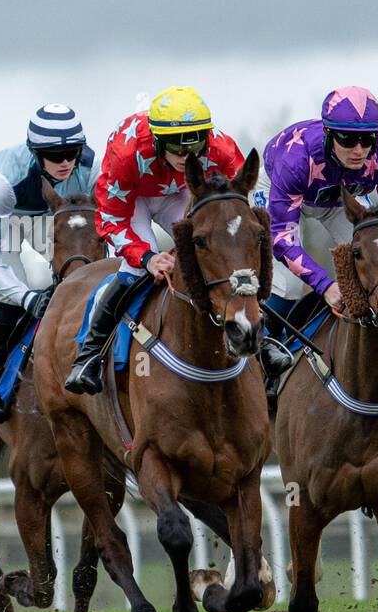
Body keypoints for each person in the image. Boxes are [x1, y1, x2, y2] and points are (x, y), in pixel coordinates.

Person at [63, 86, 246, 395]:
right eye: (176, 148)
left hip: (182, 193)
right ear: (158, 141)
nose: (187, 155)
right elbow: (110, 219)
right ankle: (89, 356)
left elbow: (247, 194)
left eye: (196, 146)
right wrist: (147, 258)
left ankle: (261, 339)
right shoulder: (126, 153)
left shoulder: (221, 148)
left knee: (221, 255)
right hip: (133, 201)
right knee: (136, 271)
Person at [256, 85, 378, 377]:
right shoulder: (296, 160)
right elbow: (281, 239)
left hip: (336, 199)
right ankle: (267, 349)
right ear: (330, 134)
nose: (358, 150)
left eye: (366, 139)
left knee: (376, 262)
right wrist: (325, 285)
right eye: (347, 139)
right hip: (280, 189)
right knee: (290, 286)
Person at [0, 103, 98, 426]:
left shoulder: (91, 168)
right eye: (56, 156)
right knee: (18, 291)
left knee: (76, 275)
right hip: (5, 215)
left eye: (72, 152)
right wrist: (27, 298)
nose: (66, 162)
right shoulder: (6, 181)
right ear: (36, 153)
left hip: (54, 215)